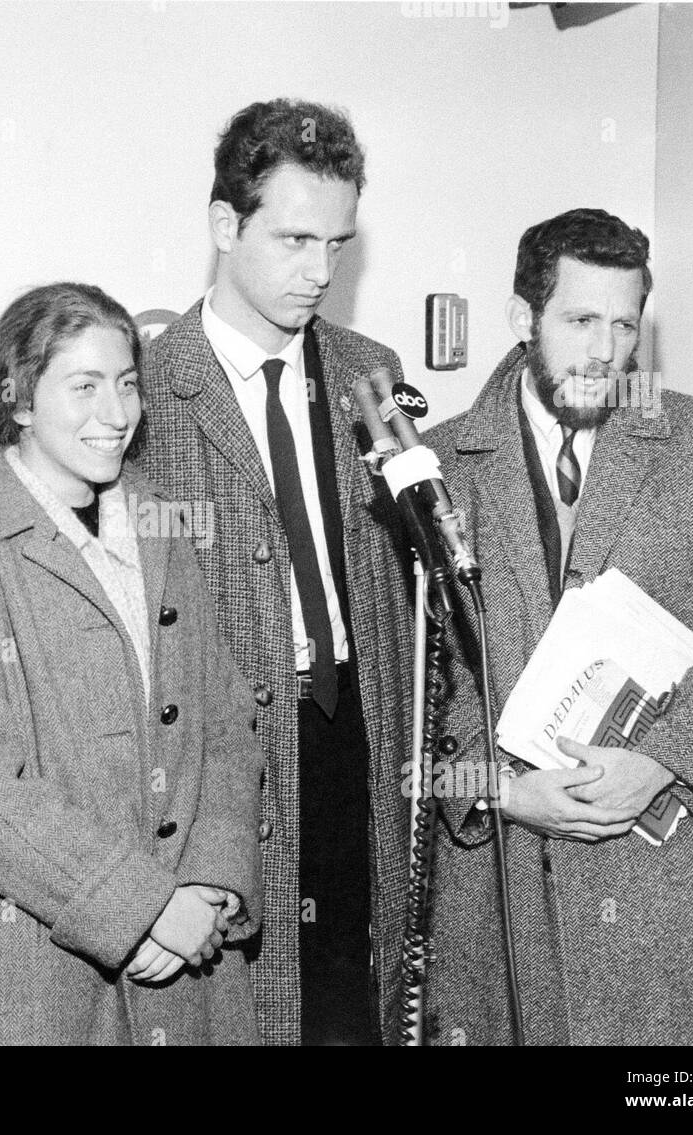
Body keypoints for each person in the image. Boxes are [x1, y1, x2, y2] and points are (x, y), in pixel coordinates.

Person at [424, 208, 693, 1045]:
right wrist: (505, 790)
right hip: (505, 890)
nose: (604, 351)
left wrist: (660, 761)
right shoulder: (435, 470)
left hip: (670, 884)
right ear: (524, 320)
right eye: (580, 320)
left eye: (624, 325)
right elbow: (420, 681)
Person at [0, 282, 264, 1046]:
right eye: (85, 386)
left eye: (128, 384)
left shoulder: (161, 521)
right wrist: (144, 907)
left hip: (189, 963)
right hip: (38, 980)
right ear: (21, 402)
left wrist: (208, 883)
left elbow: (226, 722)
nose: (117, 412)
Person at [139, 99, 416, 1046]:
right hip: (225, 762)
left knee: (348, 1003)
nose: (319, 272)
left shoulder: (369, 371)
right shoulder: (149, 392)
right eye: (295, 238)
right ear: (226, 225)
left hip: (351, 736)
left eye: (337, 243)